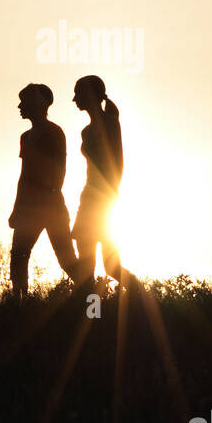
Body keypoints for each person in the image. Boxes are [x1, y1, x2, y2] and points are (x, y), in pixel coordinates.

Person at [8, 83, 78, 297]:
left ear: (38, 103)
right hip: (28, 208)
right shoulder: (25, 137)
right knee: (19, 255)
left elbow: (61, 170)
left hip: (51, 206)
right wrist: (17, 209)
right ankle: (19, 303)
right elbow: (24, 175)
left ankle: (93, 296)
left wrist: (50, 196)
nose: (20, 106)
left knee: (66, 260)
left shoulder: (54, 132)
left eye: (24, 101)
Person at [71, 75, 137, 291]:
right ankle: (93, 312)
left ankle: (141, 296)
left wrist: (109, 195)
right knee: (86, 261)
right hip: (89, 195)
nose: (74, 99)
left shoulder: (110, 123)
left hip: (105, 198)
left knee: (111, 266)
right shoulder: (86, 131)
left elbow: (118, 162)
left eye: (78, 94)